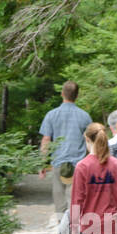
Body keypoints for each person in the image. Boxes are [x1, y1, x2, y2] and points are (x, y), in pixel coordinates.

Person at [39, 81, 92, 215]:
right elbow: (91, 142)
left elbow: (46, 140)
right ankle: (75, 230)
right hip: (79, 165)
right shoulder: (85, 116)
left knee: (60, 202)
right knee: (76, 202)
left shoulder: (51, 115)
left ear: (62, 93)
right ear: (77, 96)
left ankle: (62, 228)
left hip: (58, 163)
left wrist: (42, 164)